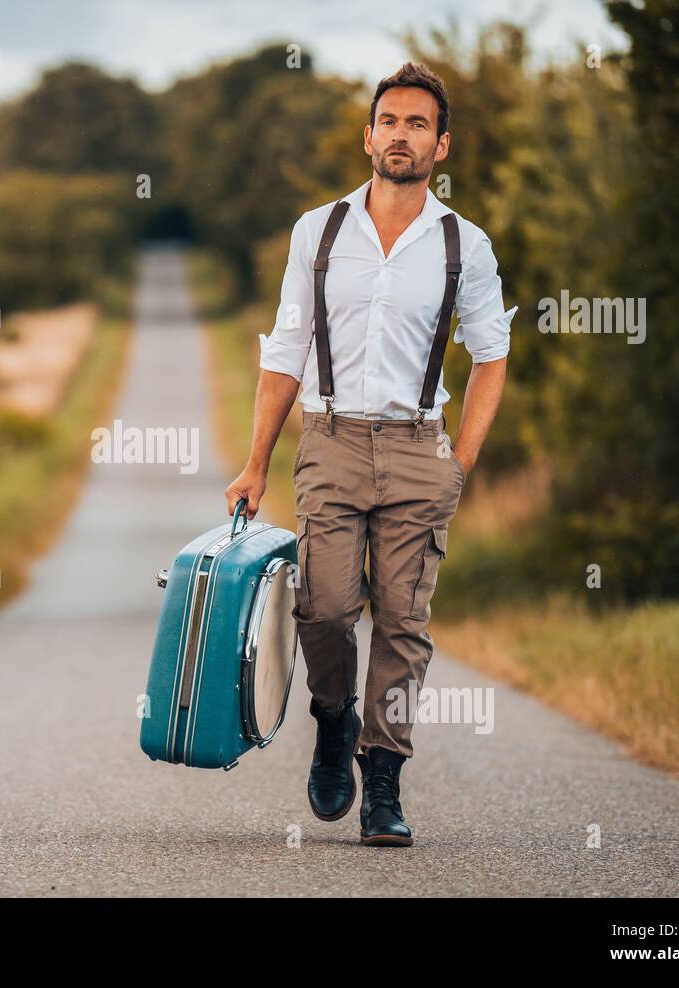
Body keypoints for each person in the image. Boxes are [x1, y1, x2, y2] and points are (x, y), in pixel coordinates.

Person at [224, 62, 515, 847]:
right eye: (390, 120)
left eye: (419, 124)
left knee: (403, 624)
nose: (401, 135)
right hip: (330, 442)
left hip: (421, 449)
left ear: (441, 146)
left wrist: (461, 465)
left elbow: (492, 357)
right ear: (369, 136)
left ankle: (383, 781)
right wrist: (255, 463)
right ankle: (331, 718)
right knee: (322, 609)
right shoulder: (315, 232)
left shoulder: (466, 247)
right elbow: (285, 350)